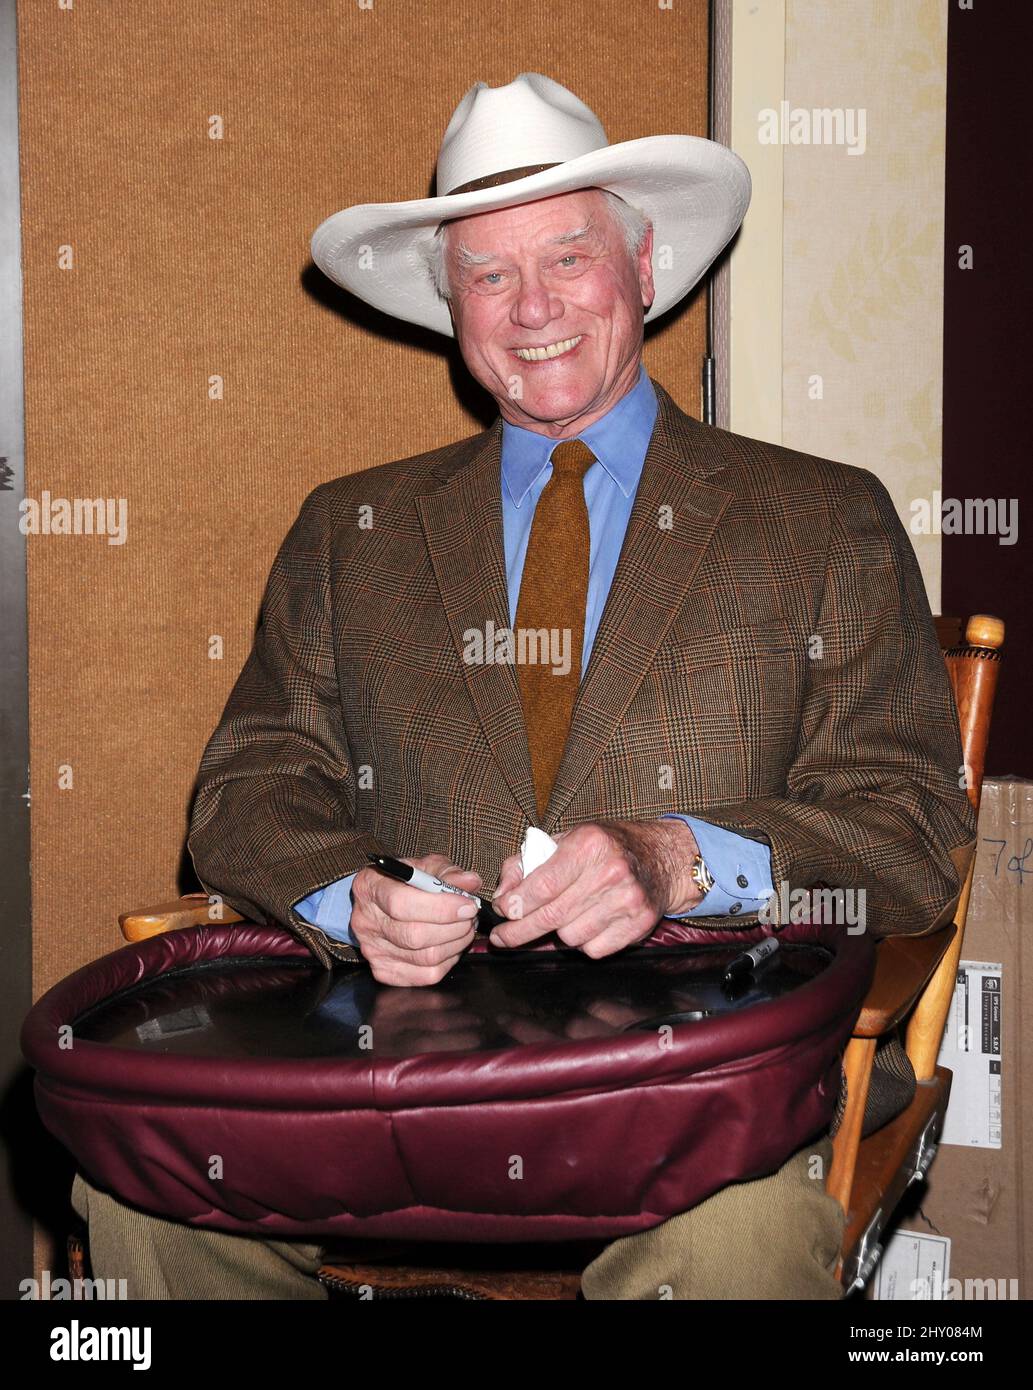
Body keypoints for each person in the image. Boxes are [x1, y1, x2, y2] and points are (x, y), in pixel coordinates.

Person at [72, 72, 976, 1300]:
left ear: (645, 269)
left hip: (701, 1089)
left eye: (568, 257)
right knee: (137, 1193)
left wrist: (676, 859)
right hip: (400, 1075)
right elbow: (247, 785)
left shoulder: (822, 520)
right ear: (450, 305)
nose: (532, 307)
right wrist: (348, 894)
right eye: (489, 275)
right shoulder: (354, 531)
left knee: (732, 1248)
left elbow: (910, 830)